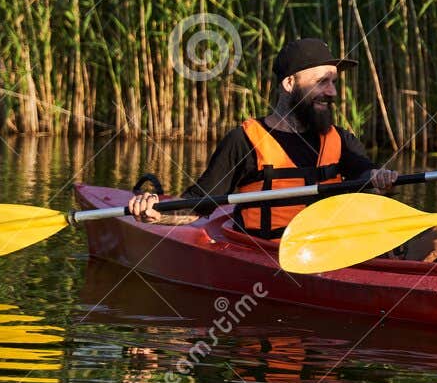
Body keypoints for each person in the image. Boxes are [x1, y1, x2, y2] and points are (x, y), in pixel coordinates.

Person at [126, 37, 399, 239]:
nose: (332, 93)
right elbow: (198, 206)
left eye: (334, 83)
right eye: (321, 82)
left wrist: (380, 179)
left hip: (329, 251)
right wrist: (156, 213)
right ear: (290, 84)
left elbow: (367, 173)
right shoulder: (244, 141)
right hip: (269, 253)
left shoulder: (339, 139)